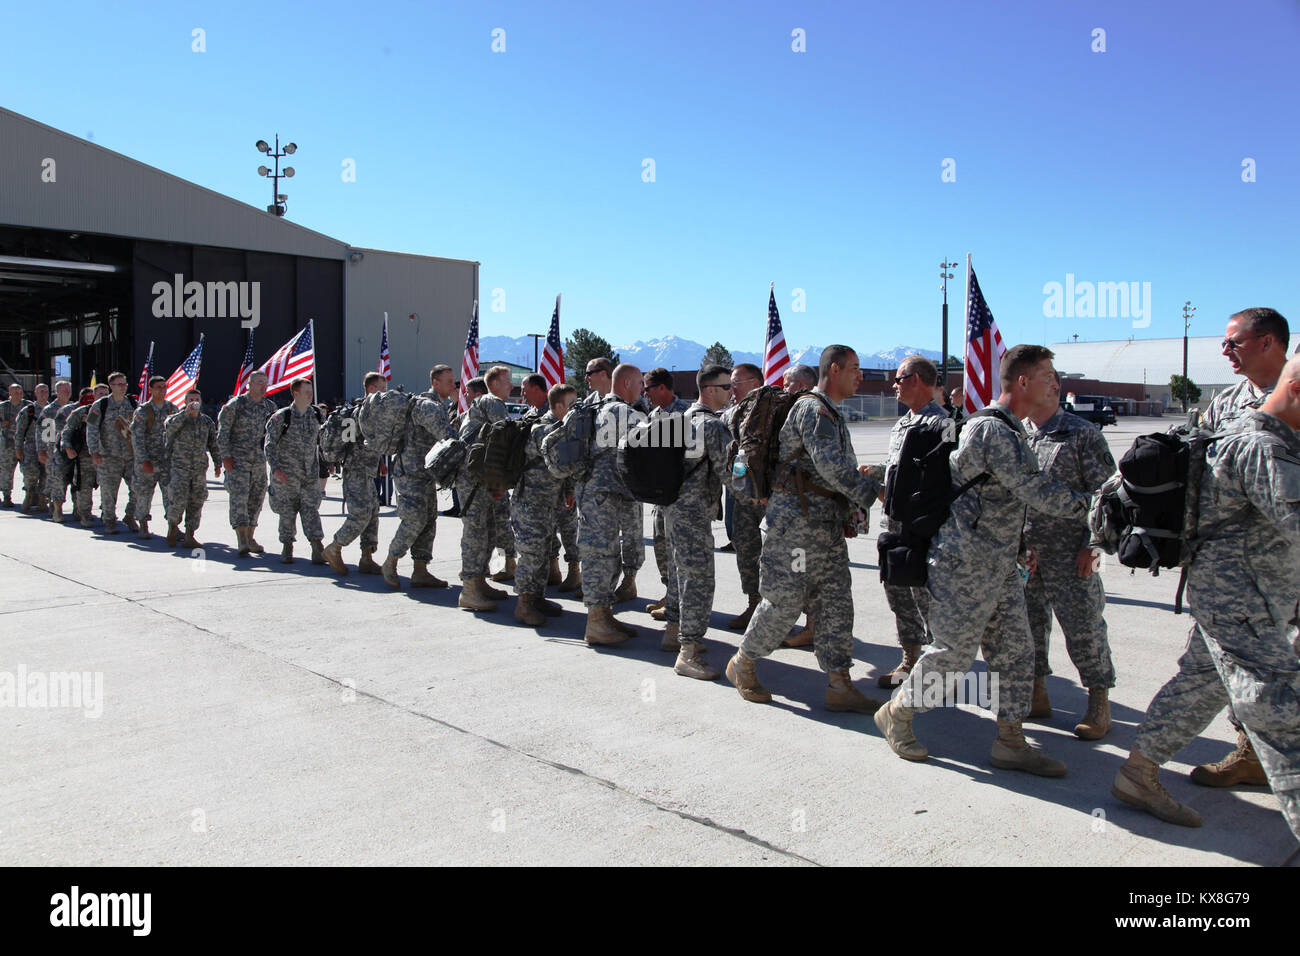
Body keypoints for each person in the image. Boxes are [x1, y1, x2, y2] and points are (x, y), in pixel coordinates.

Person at [874, 345, 1091, 776]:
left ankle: (1010, 740)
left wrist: (1019, 544)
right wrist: (1100, 505)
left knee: (1015, 653)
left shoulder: (1014, 430)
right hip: (964, 564)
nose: (1055, 382)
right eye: (1048, 375)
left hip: (999, 564)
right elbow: (1036, 490)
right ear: (1023, 382)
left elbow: (1007, 501)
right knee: (952, 655)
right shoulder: (994, 431)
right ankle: (897, 714)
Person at [1113, 354, 1300, 840]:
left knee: (1201, 683)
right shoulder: (1262, 446)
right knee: (1282, 710)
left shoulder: (1265, 437)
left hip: (1244, 597)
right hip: (1244, 603)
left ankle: (1137, 773)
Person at [726, 346, 885, 712]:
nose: (861, 376)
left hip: (823, 525)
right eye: (855, 368)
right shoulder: (813, 409)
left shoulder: (830, 412)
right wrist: (874, 492)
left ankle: (839, 683)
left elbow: (828, 471)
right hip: (795, 528)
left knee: (835, 604)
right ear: (834, 368)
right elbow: (830, 468)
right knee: (784, 602)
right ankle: (743, 663)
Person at [1187, 307, 1290, 786]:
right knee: (1235, 670)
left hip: (1287, 560)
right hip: (1236, 569)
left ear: (1268, 342)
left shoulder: (1293, 398)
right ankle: (1250, 753)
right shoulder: (1227, 402)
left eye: (1234, 343)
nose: (1225, 351)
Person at [1022, 372, 1117, 738]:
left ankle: (1098, 703)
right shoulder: (1020, 435)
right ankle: (1036, 692)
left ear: (1054, 389)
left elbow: (1106, 497)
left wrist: (1094, 547)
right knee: (1030, 627)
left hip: (1072, 552)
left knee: (1084, 629)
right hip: (1029, 553)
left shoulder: (1082, 434)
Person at [874, 356, 948, 688]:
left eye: (899, 379)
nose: (894, 385)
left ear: (916, 379)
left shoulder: (943, 424)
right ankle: (910, 658)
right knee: (898, 593)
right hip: (895, 526)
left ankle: (939, 671)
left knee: (929, 598)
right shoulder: (903, 422)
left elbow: (943, 483)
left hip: (925, 530)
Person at [661, 364, 734, 679]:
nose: (731, 393)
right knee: (699, 580)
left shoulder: (677, 420)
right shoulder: (712, 426)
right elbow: (730, 472)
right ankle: (687, 653)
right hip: (694, 513)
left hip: (673, 509)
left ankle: (673, 632)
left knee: (681, 574)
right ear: (710, 389)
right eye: (727, 387)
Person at [578, 363, 645, 645]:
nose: (643, 389)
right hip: (602, 497)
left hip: (595, 494)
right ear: (628, 384)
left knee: (604, 556)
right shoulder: (621, 412)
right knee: (600, 558)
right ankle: (596, 623)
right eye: (640, 383)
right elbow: (655, 442)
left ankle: (604, 615)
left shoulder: (594, 408)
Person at [381, 368, 457, 588]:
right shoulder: (428, 406)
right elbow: (448, 437)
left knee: (428, 521)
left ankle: (420, 570)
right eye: (449, 381)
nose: (454, 385)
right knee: (414, 520)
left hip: (424, 474)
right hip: (411, 473)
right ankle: (391, 561)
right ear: (435, 382)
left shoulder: (438, 405)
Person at [511, 383, 578, 625]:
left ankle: (536, 598)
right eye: (571, 406)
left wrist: (568, 490)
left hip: (548, 503)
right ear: (558, 406)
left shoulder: (560, 427)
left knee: (542, 552)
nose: (575, 411)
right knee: (531, 554)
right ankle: (523, 604)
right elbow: (560, 463)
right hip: (531, 503)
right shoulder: (543, 429)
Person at [455, 365, 514, 610]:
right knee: (475, 532)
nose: (511, 385)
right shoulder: (492, 402)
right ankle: (469, 590)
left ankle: (479, 582)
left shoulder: (481, 403)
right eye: (507, 381)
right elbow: (508, 437)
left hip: (481, 476)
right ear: (495, 383)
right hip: (473, 478)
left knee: (488, 529)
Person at [324, 372, 389, 576]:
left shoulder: (374, 412)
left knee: (373, 514)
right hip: (355, 471)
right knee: (360, 514)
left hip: (369, 470)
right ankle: (334, 548)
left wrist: (378, 461)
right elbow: (348, 440)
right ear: (371, 389)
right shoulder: (356, 413)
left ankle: (367, 557)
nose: (385, 392)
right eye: (382, 388)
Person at [644, 367, 691, 618]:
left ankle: (679, 601)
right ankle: (670, 592)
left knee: (677, 549)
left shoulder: (685, 412)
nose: (645, 394)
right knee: (660, 546)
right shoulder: (654, 414)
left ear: (662, 387)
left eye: (648, 388)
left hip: (679, 495)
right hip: (659, 495)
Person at [720, 362, 765, 628]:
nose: (732, 388)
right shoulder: (730, 415)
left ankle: (805, 618)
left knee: (783, 559)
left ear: (756, 383)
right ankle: (753, 604)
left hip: (772, 498)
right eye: (730, 384)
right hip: (743, 499)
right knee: (746, 552)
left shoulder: (778, 412)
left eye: (737, 383)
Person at [265, 378, 326, 565]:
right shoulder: (281, 417)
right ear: (295, 393)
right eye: (306, 391)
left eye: (311, 391)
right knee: (287, 512)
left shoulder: (316, 415)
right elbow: (269, 446)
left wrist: (326, 463)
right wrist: (275, 469)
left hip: (309, 474)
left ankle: (317, 547)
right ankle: (287, 546)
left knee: (311, 510)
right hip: (287, 475)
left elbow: (322, 441)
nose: (310, 394)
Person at [218, 370, 277, 556]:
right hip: (238, 461)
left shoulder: (270, 407)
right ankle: (241, 539)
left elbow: (275, 436)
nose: (263, 385)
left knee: (257, 499)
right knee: (239, 499)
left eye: (265, 382)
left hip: (259, 462)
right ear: (249, 384)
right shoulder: (236, 405)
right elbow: (223, 433)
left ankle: (250, 536)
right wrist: (225, 457)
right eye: (259, 382)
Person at [162, 389, 221, 547]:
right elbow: (169, 428)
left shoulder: (207, 421)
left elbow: (213, 443)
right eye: (191, 399)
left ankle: (190, 535)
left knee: (197, 501)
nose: (194, 401)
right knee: (177, 500)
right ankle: (173, 527)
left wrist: (217, 463)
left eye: (197, 399)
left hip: (199, 469)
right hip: (180, 468)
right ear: (185, 401)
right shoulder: (176, 419)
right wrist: (185, 414)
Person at [85, 372, 139, 533]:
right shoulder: (100, 406)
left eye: (125, 384)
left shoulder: (132, 403)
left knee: (138, 488)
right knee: (109, 492)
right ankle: (109, 521)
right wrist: (94, 451)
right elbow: (91, 429)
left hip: (130, 456)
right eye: (119, 384)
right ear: (111, 386)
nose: (123, 387)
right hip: (108, 456)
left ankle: (130, 515)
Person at [130, 376, 178, 540]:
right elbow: (137, 438)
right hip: (148, 461)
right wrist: (144, 460)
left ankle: (173, 526)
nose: (162, 390)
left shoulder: (172, 408)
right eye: (158, 387)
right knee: (144, 494)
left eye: (164, 387)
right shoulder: (143, 411)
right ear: (150, 389)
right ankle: (143, 523)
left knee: (171, 495)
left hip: (166, 461)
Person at [61, 384, 109, 527]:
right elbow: (67, 431)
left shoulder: (112, 410)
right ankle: (85, 515)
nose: (103, 396)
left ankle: (107, 514)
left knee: (108, 487)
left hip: (109, 455)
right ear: (94, 396)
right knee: (84, 486)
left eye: (106, 393)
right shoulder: (86, 412)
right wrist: (68, 447)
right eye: (100, 394)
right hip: (86, 456)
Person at [37, 381, 73, 520]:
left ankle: (79, 509)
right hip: (55, 452)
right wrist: (43, 451)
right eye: (63, 390)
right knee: (57, 480)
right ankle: (57, 508)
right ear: (57, 392)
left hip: (73, 451)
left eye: (68, 389)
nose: (67, 392)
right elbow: (46, 435)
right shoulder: (49, 410)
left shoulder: (73, 408)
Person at [13, 383, 48, 511]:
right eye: (41, 391)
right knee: (30, 472)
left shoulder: (52, 409)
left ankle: (42, 499)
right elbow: (19, 431)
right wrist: (18, 448)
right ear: (35, 393)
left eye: (45, 391)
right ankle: (29, 493)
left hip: (47, 446)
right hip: (31, 446)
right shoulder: (29, 410)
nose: (44, 394)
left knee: (46, 474)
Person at [0, 383, 25, 509]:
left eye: (20, 392)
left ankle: (32, 495)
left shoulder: (27, 406)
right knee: (6, 471)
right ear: (9, 393)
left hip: (24, 443)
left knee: (28, 469)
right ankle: (6, 496)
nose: (18, 394)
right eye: (15, 392)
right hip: (8, 443)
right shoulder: (3, 406)